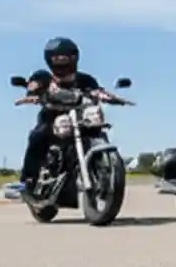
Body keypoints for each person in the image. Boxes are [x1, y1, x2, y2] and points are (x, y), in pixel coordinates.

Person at [13, 37, 126, 194]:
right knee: (37, 136)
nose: (62, 61)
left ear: (74, 57)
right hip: (52, 119)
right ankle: (28, 180)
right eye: (57, 57)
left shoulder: (85, 79)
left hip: (81, 118)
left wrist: (111, 97)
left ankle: (103, 170)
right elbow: (35, 84)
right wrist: (33, 92)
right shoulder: (45, 77)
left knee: (98, 129)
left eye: (65, 57)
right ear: (49, 59)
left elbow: (96, 90)